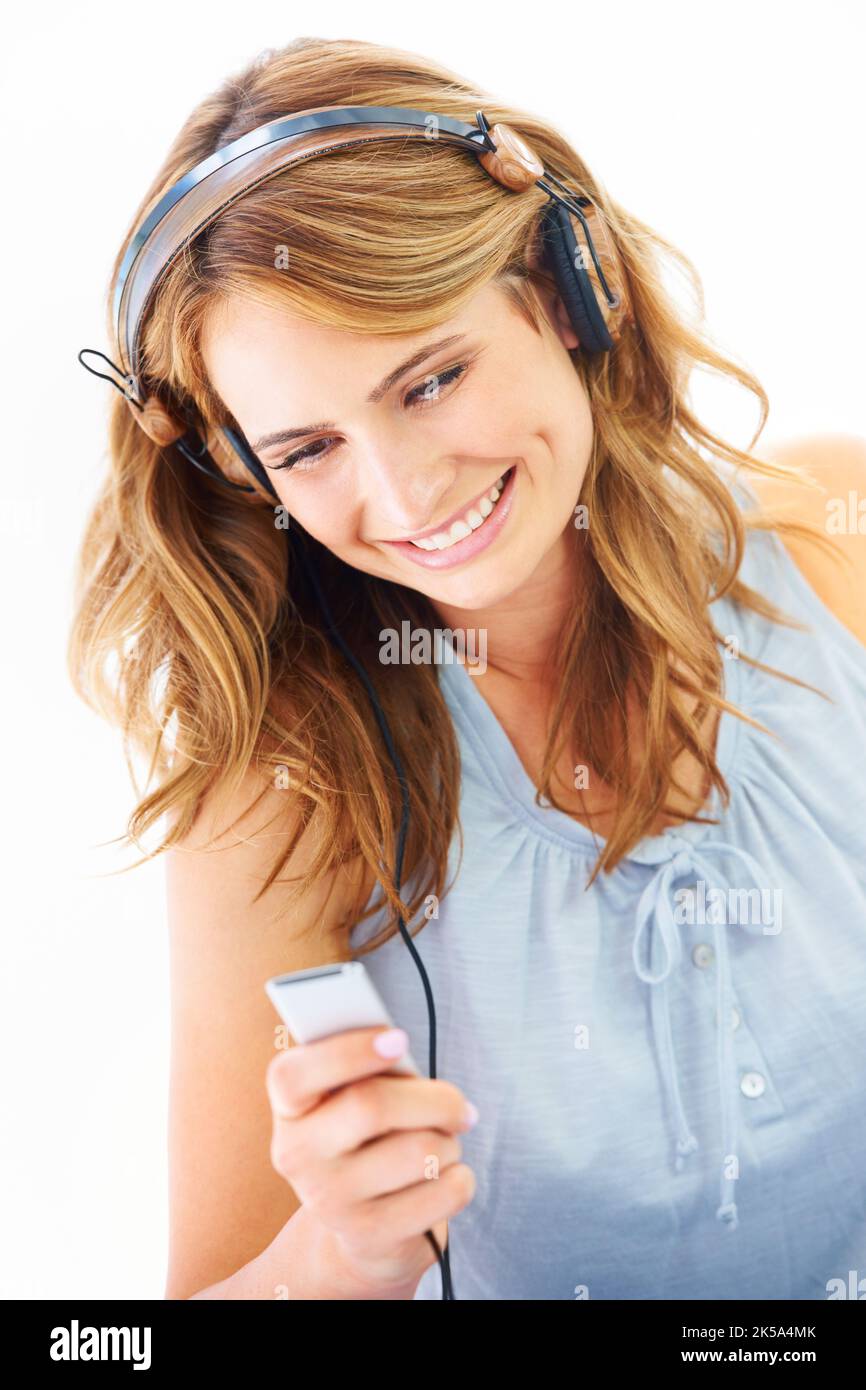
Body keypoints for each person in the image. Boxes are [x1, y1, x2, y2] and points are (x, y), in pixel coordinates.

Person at [70, 36, 866, 1301]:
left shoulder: (835, 538)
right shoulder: (280, 792)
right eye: (307, 446)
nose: (402, 495)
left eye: (430, 379)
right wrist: (334, 1253)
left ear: (564, 291)